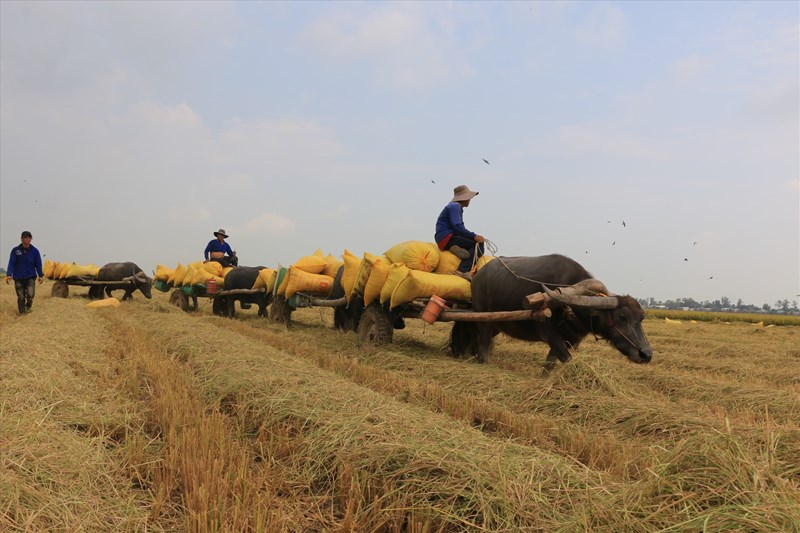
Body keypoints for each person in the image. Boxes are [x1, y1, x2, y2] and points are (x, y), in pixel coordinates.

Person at [435, 185, 485, 280]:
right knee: (479, 246)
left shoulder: (453, 206)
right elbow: (457, 226)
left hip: (443, 238)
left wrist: (471, 236)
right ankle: (462, 271)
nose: (470, 200)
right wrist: (474, 236)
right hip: (447, 237)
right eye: (469, 198)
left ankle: (454, 248)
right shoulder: (455, 207)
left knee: (469, 243)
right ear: (464, 198)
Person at [5, 230, 44, 315]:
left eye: (28, 237)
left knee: (30, 295)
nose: (27, 239)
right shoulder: (15, 251)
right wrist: (8, 274)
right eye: (25, 237)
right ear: (21, 239)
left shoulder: (35, 251)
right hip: (18, 278)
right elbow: (11, 263)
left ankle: (28, 306)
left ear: (31, 239)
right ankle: (22, 313)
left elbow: (38, 264)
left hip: (30, 277)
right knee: (21, 296)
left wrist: (40, 275)